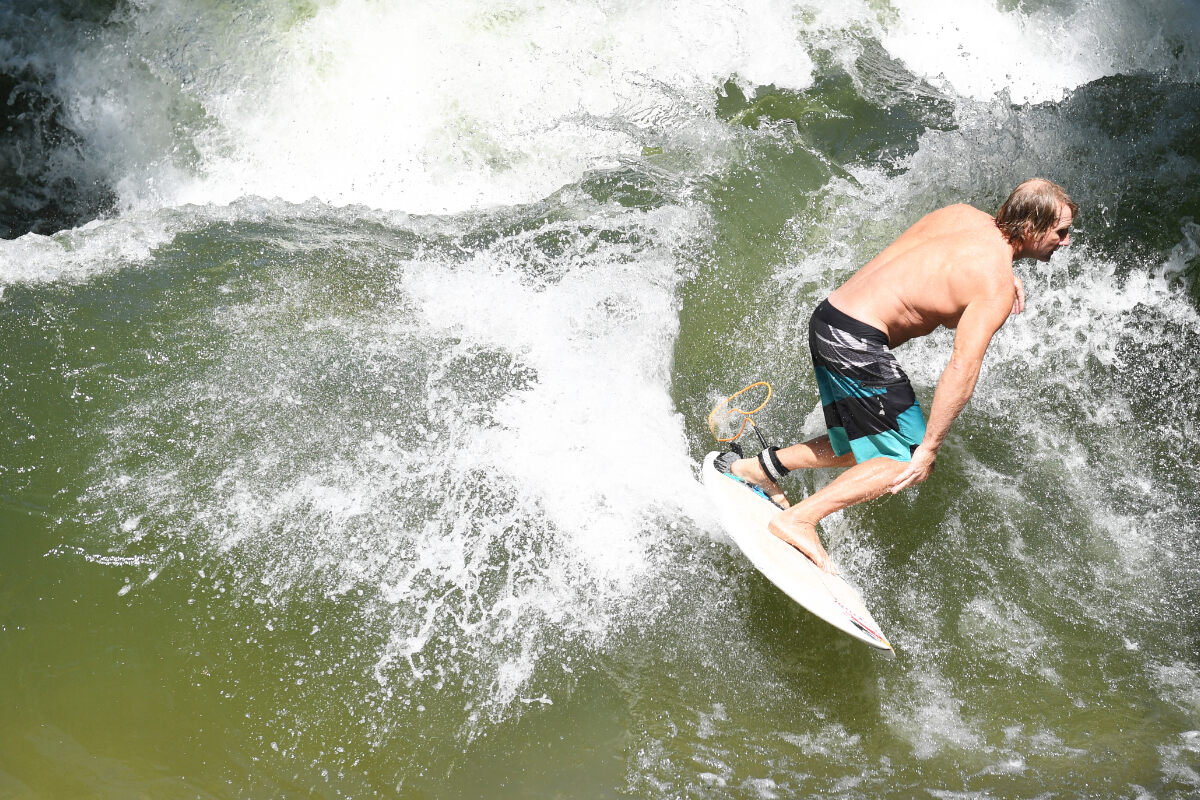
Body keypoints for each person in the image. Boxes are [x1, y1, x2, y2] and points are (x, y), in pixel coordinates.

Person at [719, 178, 1077, 573]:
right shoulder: (994, 284)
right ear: (1030, 230)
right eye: (1061, 233)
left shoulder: (962, 216)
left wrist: (1006, 274)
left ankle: (759, 469)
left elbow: (936, 270)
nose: (1065, 242)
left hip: (829, 318)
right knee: (903, 456)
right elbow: (962, 367)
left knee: (867, 443)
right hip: (855, 341)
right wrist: (929, 448)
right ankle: (797, 520)